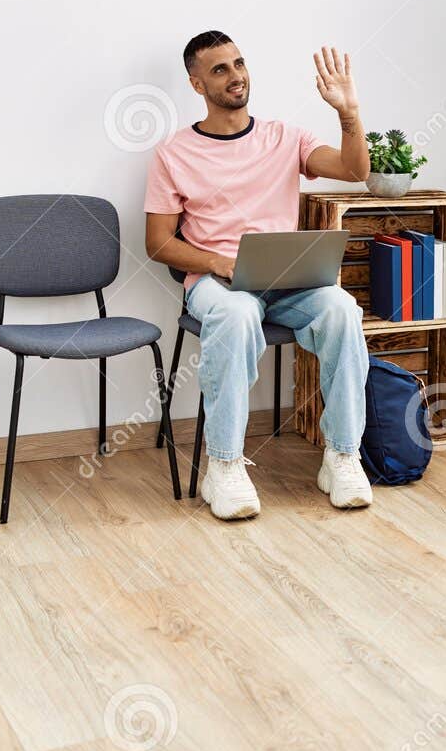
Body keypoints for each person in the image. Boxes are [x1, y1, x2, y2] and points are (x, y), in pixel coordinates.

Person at [144, 31, 374, 520]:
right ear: (196, 83)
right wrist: (215, 262)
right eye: (220, 69)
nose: (236, 76)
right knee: (235, 312)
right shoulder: (173, 154)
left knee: (341, 308)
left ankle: (342, 456)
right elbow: (158, 242)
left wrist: (348, 115)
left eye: (239, 64)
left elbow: (356, 172)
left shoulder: (285, 137)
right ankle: (224, 465)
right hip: (218, 284)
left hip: (287, 283)